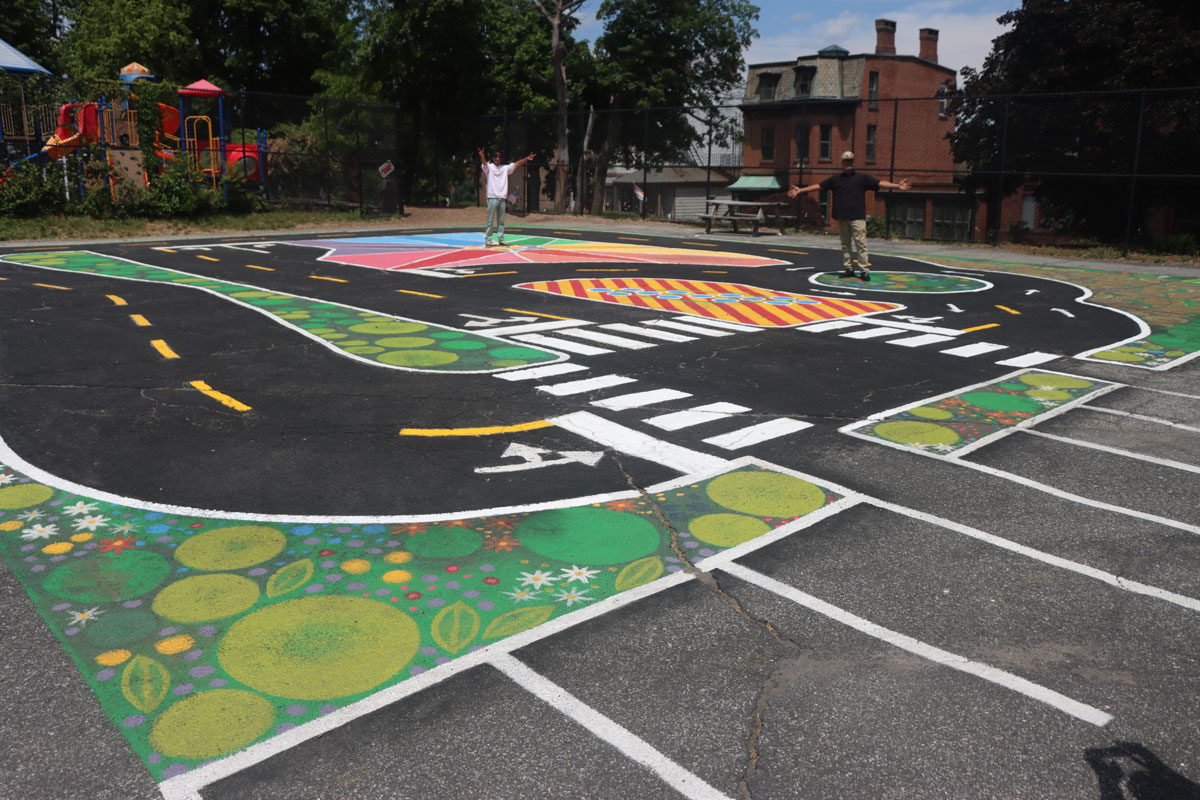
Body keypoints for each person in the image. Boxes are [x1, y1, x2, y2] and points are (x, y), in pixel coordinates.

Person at [787, 151, 911, 281]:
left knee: (861, 244)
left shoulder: (862, 178)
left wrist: (897, 185)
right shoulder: (835, 179)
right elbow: (819, 186)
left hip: (857, 217)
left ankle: (864, 271)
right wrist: (801, 190)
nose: (848, 163)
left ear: (853, 162)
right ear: (842, 163)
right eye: (846, 161)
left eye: (850, 161)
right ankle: (849, 269)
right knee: (845, 244)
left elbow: (879, 183)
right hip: (842, 217)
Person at [479, 147, 535, 246]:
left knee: (501, 221)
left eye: (499, 157)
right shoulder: (489, 167)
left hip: (502, 198)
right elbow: (484, 164)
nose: (497, 158)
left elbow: (516, 164)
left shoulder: (505, 168)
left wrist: (526, 158)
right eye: (495, 157)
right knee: (490, 221)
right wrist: (482, 156)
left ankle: (501, 239)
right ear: (492, 158)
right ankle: (488, 239)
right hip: (492, 197)